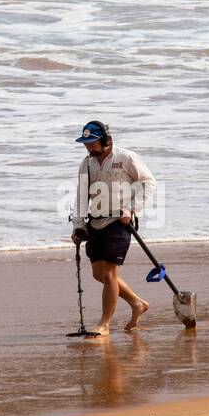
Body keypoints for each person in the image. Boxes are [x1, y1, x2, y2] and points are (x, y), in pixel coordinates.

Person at [70, 120, 156, 335]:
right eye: (85, 142)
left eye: (92, 142)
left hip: (119, 223)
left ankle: (104, 325)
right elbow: (81, 195)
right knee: (99, 275)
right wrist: (79, 225)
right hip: (95, 223)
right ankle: (137, 303)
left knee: (109, 274)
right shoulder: (86, 163)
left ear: (106, 140)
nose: (88, 146)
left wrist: (132, 208)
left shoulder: (126, 157)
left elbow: (148, 182)